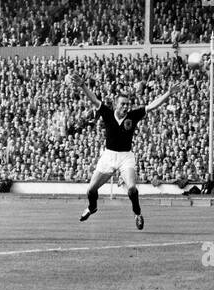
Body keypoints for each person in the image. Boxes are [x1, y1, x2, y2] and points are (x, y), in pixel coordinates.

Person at [68, 73, 169, 228]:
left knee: (132, 189)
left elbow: (152, 106)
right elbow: (94, 99)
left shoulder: (133, 115)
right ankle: (92, 207)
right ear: (116, 105)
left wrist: (168, 93)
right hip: (108, 156)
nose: (125, 107)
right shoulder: (107, 113)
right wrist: (82, 85)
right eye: (122, 104)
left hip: (125, 157)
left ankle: (137, 213)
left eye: (127, 104)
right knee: (91, 190)